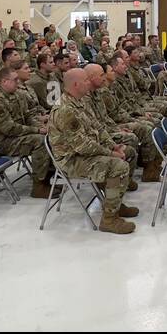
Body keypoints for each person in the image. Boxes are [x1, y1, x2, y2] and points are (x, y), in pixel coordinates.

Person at [49, 68, 139, 234]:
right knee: (119, 166)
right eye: (85, 80)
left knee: (126, 152)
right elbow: (82, 146)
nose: (88, 83)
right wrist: (111, 154)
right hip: (72, 160)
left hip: (84, 154)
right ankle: (109, 220)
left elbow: (97, 127)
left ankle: (115, 205)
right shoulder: (65, 110)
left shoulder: (80, 101)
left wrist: (113, 145)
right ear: (76, 85)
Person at [0, 67, 56, 198]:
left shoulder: (17, 95)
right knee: (39, 141)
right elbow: (9, 128)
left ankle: (49, 175)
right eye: (15, 80)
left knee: (48, 135)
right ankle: (39, 186)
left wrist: (41, 126)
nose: (18, 82)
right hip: (3, 142)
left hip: (17, 136)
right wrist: (37, 130)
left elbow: (28, 116)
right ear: (4, 82)